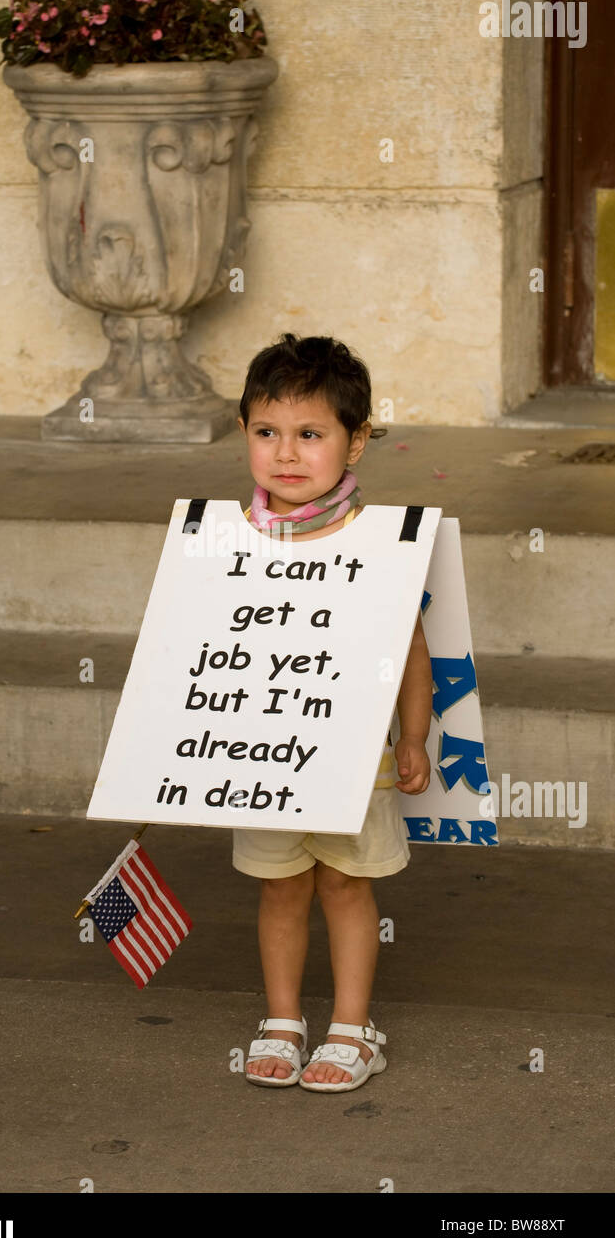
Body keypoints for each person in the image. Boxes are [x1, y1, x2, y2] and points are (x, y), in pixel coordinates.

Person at [234, 333, 433, 1092]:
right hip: (260, 752)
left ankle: (352, 1029)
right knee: (280, 884)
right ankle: (282, 1020)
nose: (286, 453)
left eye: (310, 434)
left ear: (354, 444)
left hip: (358, 754)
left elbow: (410, 650)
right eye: (266, 432)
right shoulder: (223, 545)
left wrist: (412, 737)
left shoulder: (377, 543)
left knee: (346, 884)